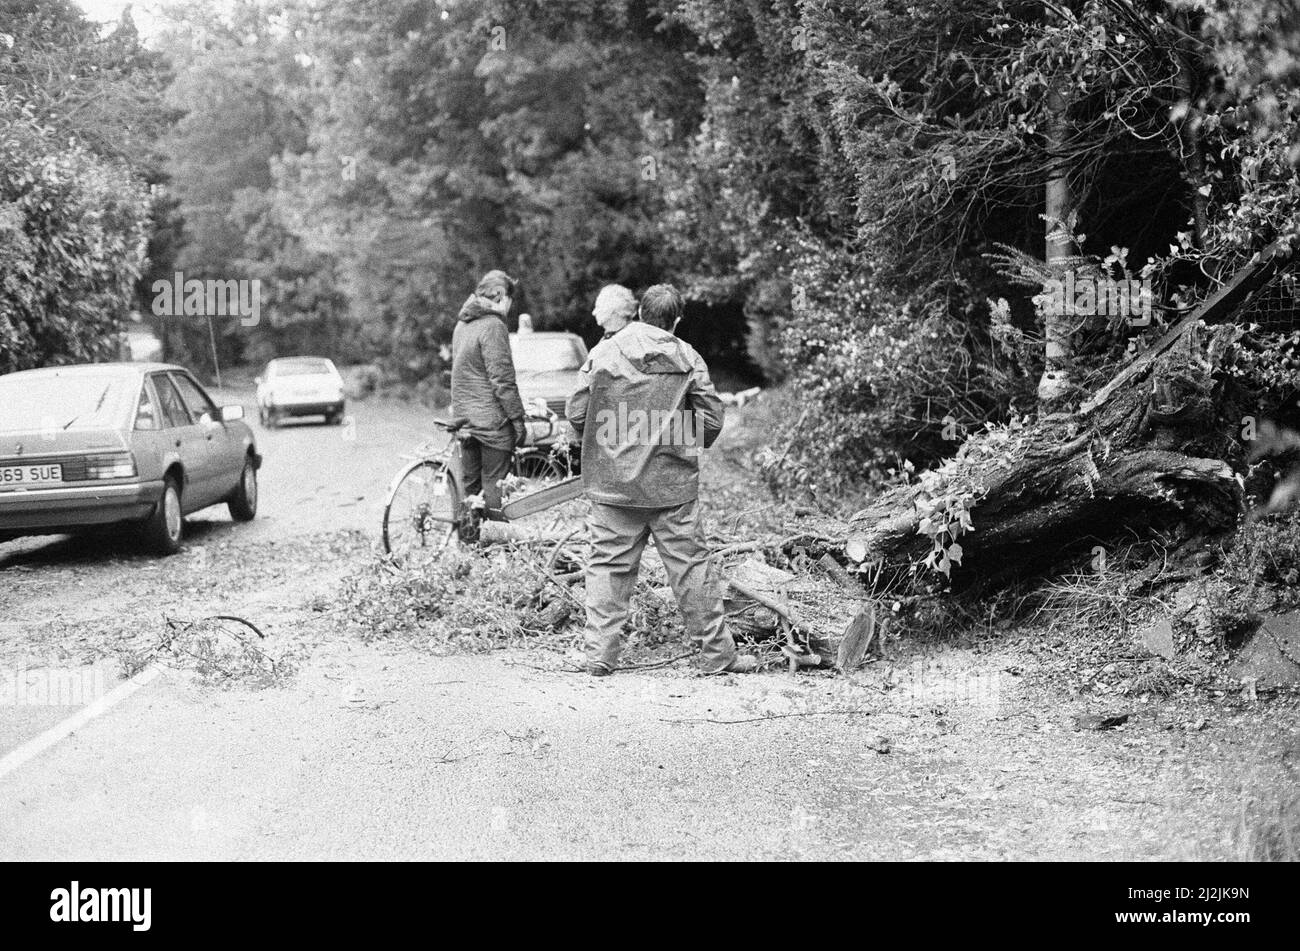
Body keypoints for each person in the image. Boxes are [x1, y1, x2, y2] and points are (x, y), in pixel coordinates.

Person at [566, 284, 757, 676]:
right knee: (692, 568)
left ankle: (599, 656)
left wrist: (614, 440)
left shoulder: (604, 351)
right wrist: (671, 436)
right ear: (677, 320)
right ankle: (718, 658)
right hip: (672, 487)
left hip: (613, 485)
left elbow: (577, 411)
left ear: (639, 314)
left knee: (606, 566)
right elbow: (710, 421)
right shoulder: (687, 356)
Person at [451, 270, 527, 525]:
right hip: (490, 422)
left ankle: (470, 546)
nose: (510, 306)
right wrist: (517, 419)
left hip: (464, 419)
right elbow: (502, 380)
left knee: (470, 487)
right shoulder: (494, 325)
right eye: (510, 300)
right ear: (502, 296)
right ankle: (498, 544)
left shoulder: (463, 324)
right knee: (495, 484)